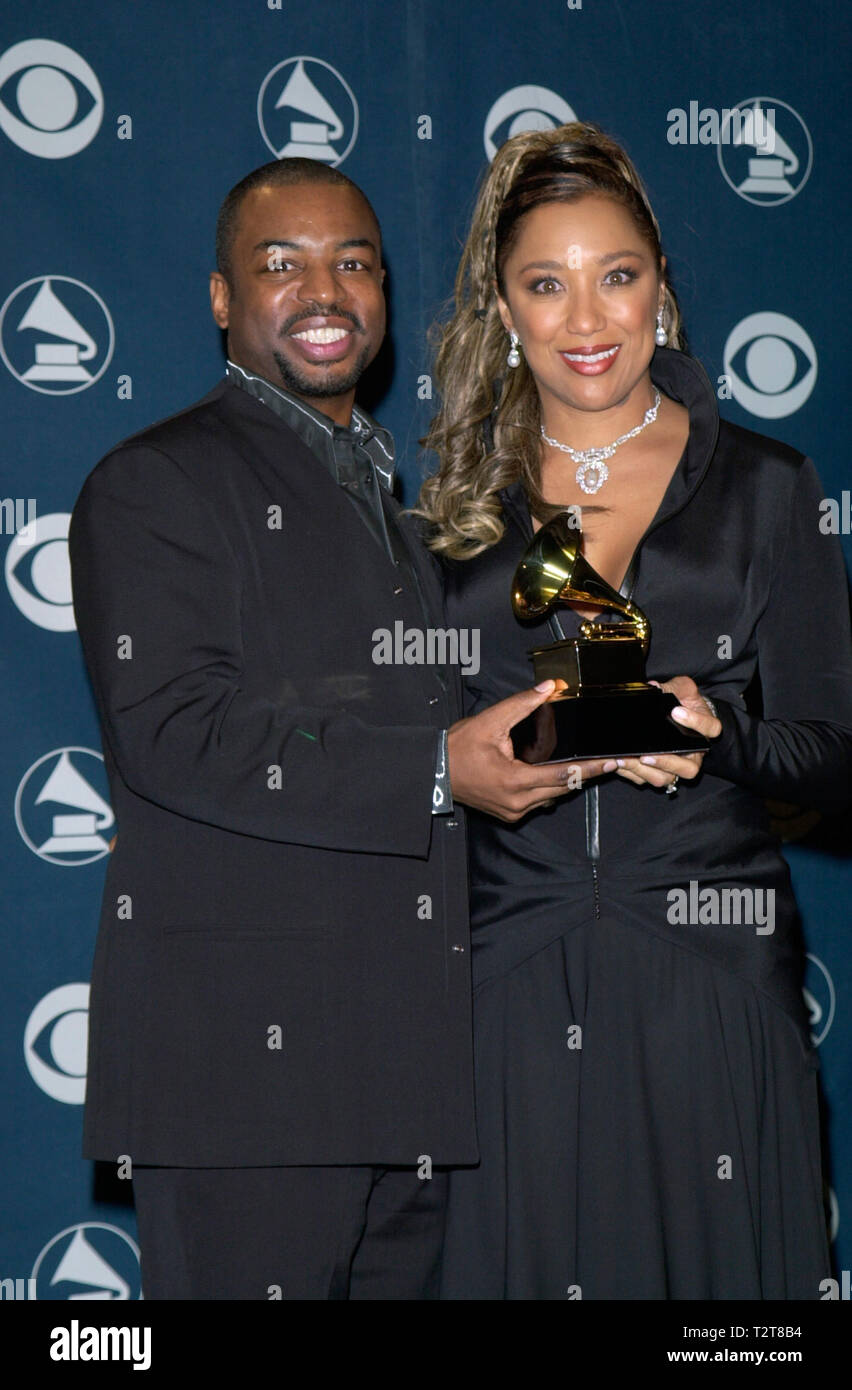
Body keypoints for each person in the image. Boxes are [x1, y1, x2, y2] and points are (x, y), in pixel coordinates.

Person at [68, 157, 580, 1300]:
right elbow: (173, 730)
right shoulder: (156, 481)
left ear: (385, 292)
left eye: (352, 262)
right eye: (281, 263)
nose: (324, 291)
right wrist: (438, 769)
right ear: (219, 299)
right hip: (248, 1095)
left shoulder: (408, 520)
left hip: (412, 1079)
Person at [415, 122, 852, 1299]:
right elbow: (402, 753)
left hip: (706, 968)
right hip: (505, 970)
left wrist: (723, 738)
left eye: (616, 275)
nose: (587, 318)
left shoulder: (770, 486)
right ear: (504, 310)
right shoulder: (451, 512)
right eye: (544, 285)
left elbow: (834, 756)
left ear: (661, 284)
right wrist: (457, 759)